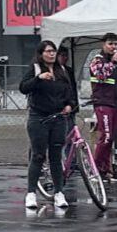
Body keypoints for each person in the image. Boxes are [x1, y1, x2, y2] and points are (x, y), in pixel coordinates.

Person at [20, 40, 74, 209]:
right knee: (38, 155)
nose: (52, 54)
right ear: (41, 53)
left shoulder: (63, 71)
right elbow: (23, 87)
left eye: (54, 51)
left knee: (56, 157)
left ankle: (59, 193)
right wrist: (39, 78)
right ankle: (30, 193)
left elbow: (70, 93)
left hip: (58, 118)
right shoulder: (35, 69)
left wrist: (69, 105)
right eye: (48, 51)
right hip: (39, 118)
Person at [85, 34, 117, 175]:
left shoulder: (115, 65)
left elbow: (114, 85)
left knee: (111, 138)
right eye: (111, 44)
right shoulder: (97, 60)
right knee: (105, 137)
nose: (114, 47)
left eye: (116, 44)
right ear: (103, 44)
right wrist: (112, 63)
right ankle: (94, 169)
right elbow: (101, 76)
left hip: (115, 104)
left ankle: (105, 169)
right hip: (102, 103)